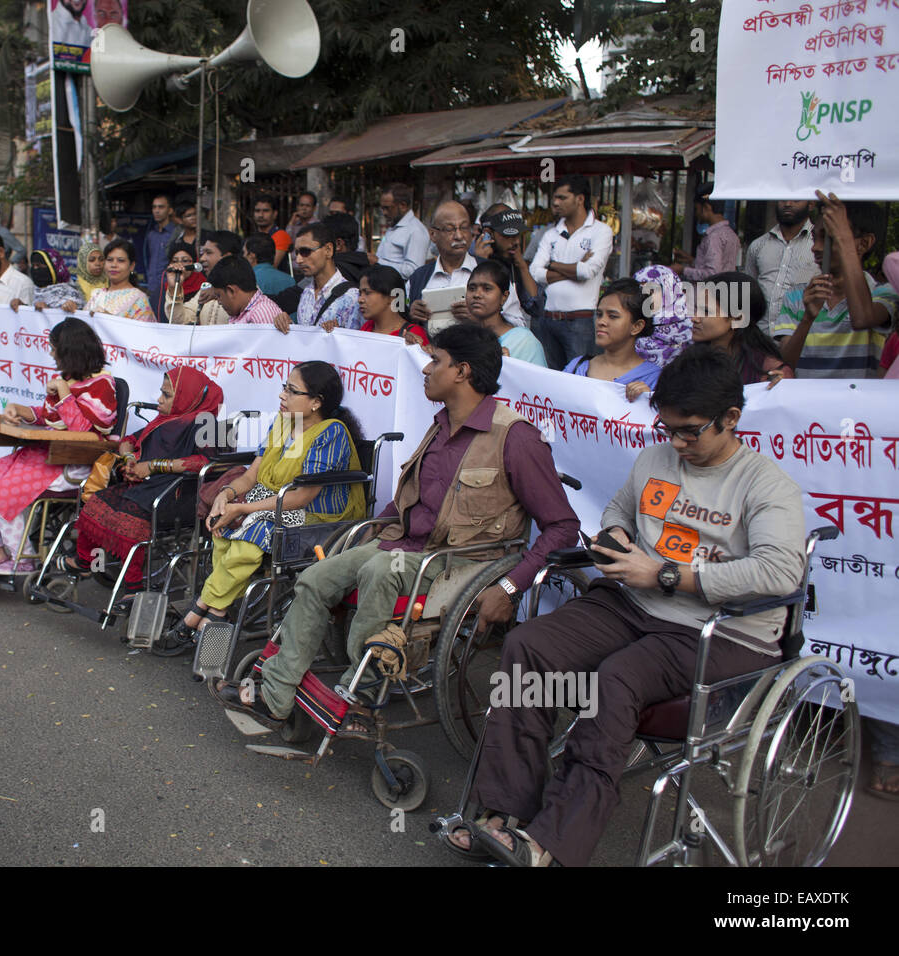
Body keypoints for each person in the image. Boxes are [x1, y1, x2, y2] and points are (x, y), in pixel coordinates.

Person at [454, 345, 807, 868]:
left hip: (720, 630)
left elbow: (781, 572)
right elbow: (621, 509)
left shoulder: (765, 484)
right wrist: (617, 537)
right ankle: (505, 810)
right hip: (633, 605)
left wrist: (667, 573)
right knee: (529, 646)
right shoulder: (657, 457)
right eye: (669, 429)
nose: (678, 443)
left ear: (731, 419)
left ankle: (553, 842)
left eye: (691, 430)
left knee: (615, 681)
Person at [213, 322, 579, 723]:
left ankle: (360, 691)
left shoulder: (515, 438)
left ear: (463, 371)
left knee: (379, 570)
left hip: (459, 559)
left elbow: (562, 525)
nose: (425, 369)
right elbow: (407, 499)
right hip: (404, 543)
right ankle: (277, 693)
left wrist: (510, 588)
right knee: (316, 578)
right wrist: (370, 529)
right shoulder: (440, 427)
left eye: (435, 360)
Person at [160, 362, 367, 655]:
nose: (282, 395)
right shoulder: (286, 422)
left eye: (292, 391)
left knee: (254, 527)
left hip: (317, 517)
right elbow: (252, 475)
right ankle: (216, 612)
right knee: (223, 521)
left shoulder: (330, 433)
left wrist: (245, 510)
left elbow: (301, 496)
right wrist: (228, 495)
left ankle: (203, 611)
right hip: (274, 498)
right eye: (284, 386)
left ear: (316, 402)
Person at [0, 317, 118, 575]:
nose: (51, 354)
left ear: (69, 351)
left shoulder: (102, 385)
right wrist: (18, 410)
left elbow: (82, 431)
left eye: (55, 349)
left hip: (72, 464)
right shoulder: (67, 379)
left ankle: (23, 558)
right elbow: (47, 415)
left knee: (1, 491)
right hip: (45, 455)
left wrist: (64, 393)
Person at [47, 367, 224, 593]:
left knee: (132, 523)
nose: (158, 399)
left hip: (177, 496)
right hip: (148, 488)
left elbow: (206, 463)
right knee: (94, 502)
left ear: (185, 398)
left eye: (166, 395)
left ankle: (132, 588)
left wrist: (152, 465)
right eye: (161, 393)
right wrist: (130, 459)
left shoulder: (208, 424)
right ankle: (85, 561)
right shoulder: (165, 420)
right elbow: (129, 440)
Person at [774, 192, 895, 378]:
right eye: (815, 237)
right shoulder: (797, 295)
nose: (815, 247)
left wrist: (843, 235)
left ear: (864, 243)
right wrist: (807, 318)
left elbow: (862, 318)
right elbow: (786, 363)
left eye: (829, 238)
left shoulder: (883, 293)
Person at [529, 173, 615, 370]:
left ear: (580, 199)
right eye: (555, 198)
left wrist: (552, 264)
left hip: (581, 321)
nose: (556, 203)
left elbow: (587, 271)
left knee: (581, 379)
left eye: (562, 197)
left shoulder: (601, 231)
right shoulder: (551, 233)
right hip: (548, 319)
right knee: (550, 383)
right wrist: (575, 266)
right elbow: (535, 273)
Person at [563, 277, 660, 398]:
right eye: (599, 315)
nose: (601, 322)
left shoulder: (654, 380)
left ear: (637, 326)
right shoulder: (576, 367)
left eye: (613, 316)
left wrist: (647, 401)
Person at [690, 271, 792, 386]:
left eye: (706, 311)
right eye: (695, 309)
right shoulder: (689, 360)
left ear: (738, 319)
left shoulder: (771, 372)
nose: (694, 318)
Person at [744, 200, 816, 338]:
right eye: (783, 199)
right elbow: (749, 292)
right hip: (761, 339)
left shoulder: (818, 247)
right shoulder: (759, 245)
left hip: (802, 340)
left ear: (811, 204)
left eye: (796, 199)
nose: (788, 204)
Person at [408, 200, 477, 334]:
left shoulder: (489, 273)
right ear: (433, 235)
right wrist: (411, 314)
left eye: (464, 227)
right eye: (450, 229)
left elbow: (516, 325)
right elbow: (397, 313)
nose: (459, 236)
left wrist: (479, 317)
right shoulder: (418, 278)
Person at [463, 260, 546, 367]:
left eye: (487, 289)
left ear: (504, 297)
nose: (477, 295)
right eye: (472, 288)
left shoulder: (523, 341)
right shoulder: (461, 337)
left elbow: (533, 382)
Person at [473, 207, 545, 329]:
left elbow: (536, 307)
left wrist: (522, 267)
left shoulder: (513, 262)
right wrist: (480, 262)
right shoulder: (471, 260)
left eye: (517, 235)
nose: (516, 241)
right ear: (488, 234)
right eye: (508, 235)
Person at [294, 222, 362, 331]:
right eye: (296, 253)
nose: (298, 260)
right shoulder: (306, 293)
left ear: (328, 250)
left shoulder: (352, 298)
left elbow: (356, 344)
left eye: (305, 252)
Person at [672, 182, 740, 281]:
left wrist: (682, 270)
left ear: (707, 208)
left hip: (709, 293)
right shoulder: (731, 234)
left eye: (697, 209)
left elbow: (711, 274)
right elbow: (719, 266)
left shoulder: (714, 237)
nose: (696, 214)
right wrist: (691, 260)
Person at [169, 231, 240, 325]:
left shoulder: (245, 287)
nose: (202, 258)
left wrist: (217, 292)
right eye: (203, 253)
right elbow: (180, 320)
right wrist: (174, 288)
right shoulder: (207, 287)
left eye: (208, 253)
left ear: (227, 257)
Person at [206, 256, 290, 329]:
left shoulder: (262, 312)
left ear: (231, 291)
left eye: (218, 296)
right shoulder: (240, 312)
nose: (219, 302)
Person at [633, 263, 692, 367]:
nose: (643, 296)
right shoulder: (631, 324)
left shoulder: (691, 329)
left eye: (651, 290)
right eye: (639, 290)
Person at [86, 238, 156, 322]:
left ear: (132, 266)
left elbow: (141, 333)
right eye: (110, 260)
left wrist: (109, 319)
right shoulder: (98, 295)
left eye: (120, 261)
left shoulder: (139, 299)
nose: (114, 265)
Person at [358, 264, 428, 344]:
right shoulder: (367, 328)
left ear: (392, 297)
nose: (360, 299)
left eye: (367, 293)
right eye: (360, 293)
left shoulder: (413, 335)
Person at [373, 182, 431, 280]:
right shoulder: (394, 226)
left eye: (387, 208)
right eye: (382, 208)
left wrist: (378, 262)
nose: (384, 213)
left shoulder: (416, 230)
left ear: (403, 206)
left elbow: (414, 271)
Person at [141, 193, 178, 316]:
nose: (156, 211)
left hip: (168, 288)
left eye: (161, 207)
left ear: (170, 210)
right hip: (151, 287)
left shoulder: (175, 233)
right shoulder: (152, 234)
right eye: (154, 207)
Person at [244, 232, 295, 297]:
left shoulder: (248, 279)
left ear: (252, 255)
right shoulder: (290, 280)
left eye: (244, 252)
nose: (243, 256)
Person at [250, 194, 290, 269]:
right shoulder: (253, 237)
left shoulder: (281, 235)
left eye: (266, 211)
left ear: (275, 214)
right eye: (257, 211)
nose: (261, 215)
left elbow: (271, 267)